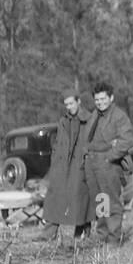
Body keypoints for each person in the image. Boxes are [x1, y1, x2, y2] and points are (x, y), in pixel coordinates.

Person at [37, 88, 94, 245]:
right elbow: (58, 143)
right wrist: (55, 160)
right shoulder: (64, 121)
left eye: (71, 103)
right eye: (66, 104)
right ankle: (49, 232)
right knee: (55, 195)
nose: (69, 107)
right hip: (62, 165)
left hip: (80, 164)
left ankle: (82, 231)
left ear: (79, 101)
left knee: (80, 197)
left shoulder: (89, 119)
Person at [82, 81, 133, 245]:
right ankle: (102, 236)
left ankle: (113, 239)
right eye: (97, 100)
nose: (100, 103)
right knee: (100, 200)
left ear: (111, 98)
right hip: (93, 163)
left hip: (109, 165)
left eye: (103, 99)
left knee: (111, 201)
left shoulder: (119, 116)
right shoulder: (95, 115)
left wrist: (110, 156)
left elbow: (126, 141)